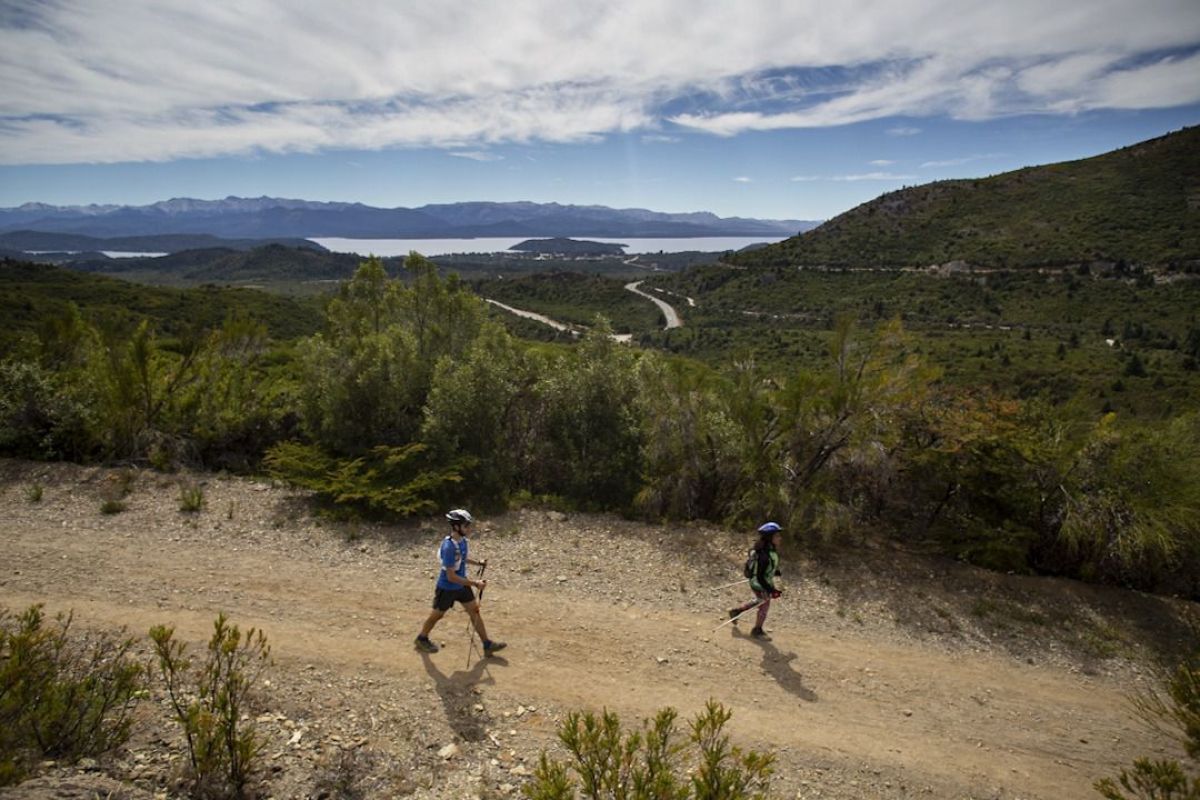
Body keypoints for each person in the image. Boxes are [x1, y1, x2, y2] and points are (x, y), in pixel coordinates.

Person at [415, 509, 507, 656]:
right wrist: (475, 583)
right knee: (437, 616)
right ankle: (421, 638)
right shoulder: (448, 547)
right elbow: (451, 576)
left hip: (462, 585)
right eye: (466, 526)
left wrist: (478, 563)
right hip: (447, 588)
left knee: (474, 612)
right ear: (456, 527)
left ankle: (487, 644)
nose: (469, 528)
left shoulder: (463, 542)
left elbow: (461, 558)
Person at [729, 521, 784, 640]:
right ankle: (757, 630)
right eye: (777, 536)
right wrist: (771, 590)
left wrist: (774, 571)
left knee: (760, 600)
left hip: (759, 582)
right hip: (759, 584)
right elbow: (760, 576)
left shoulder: (767, 551)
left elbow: (764, 569)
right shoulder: (765, 554)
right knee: (764, 605)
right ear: (770, 538)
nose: (780, 538)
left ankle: (736, 611)